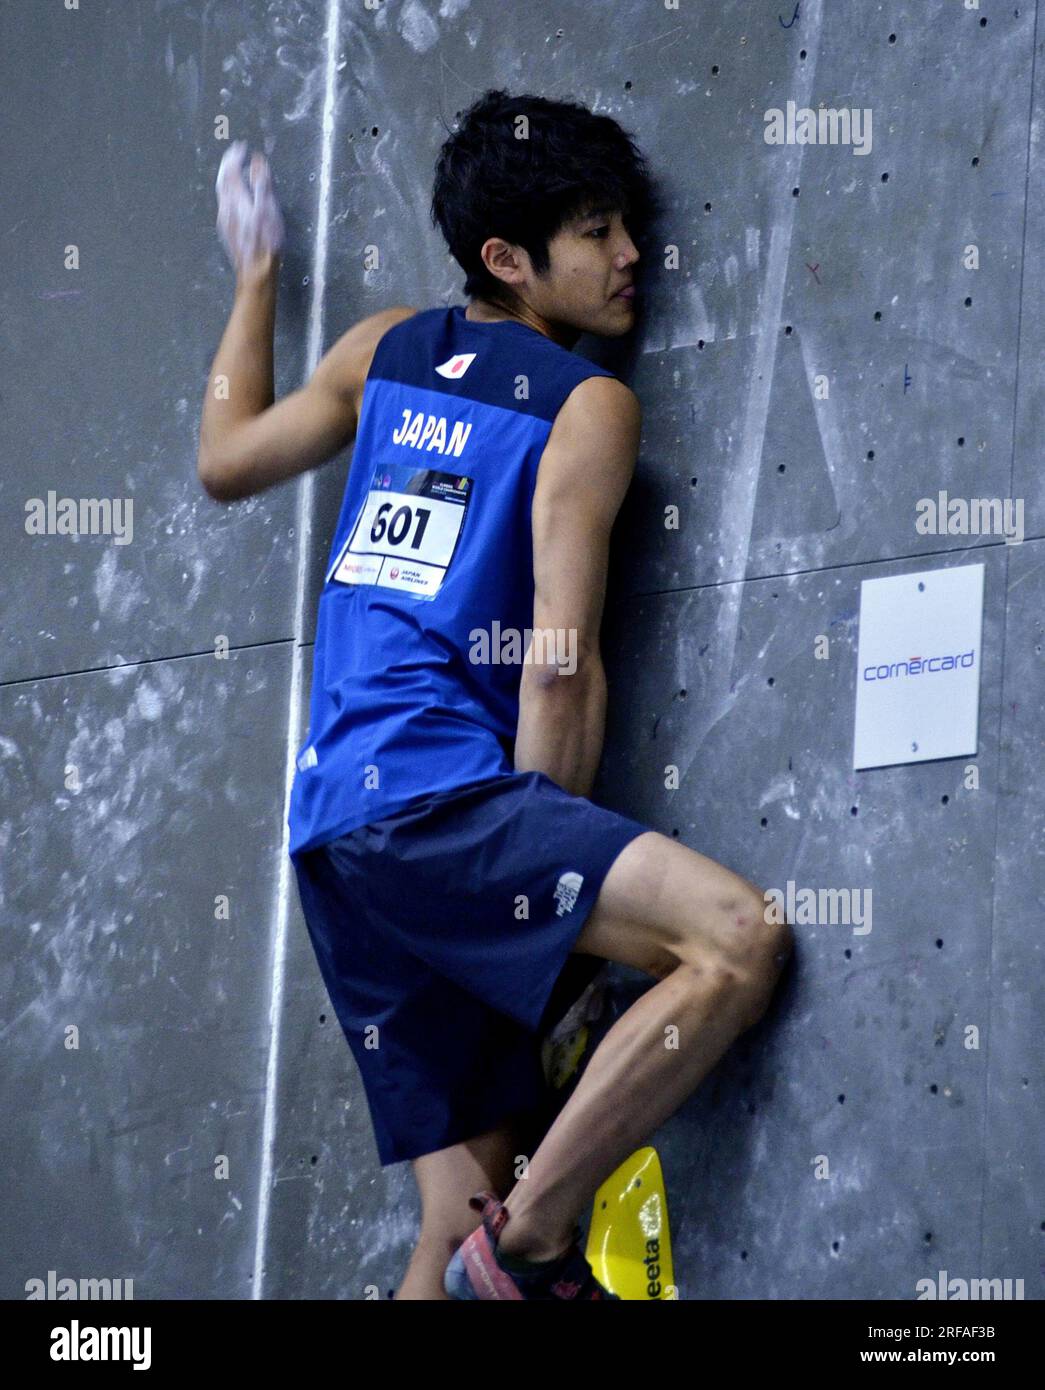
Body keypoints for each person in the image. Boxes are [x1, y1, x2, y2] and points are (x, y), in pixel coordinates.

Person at [198, 89, 793, 1302]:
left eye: (628, 224)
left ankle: (485, 1245)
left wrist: (256, 274)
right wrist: (549, 916)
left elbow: (224, 456)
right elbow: (558, 663)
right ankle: (527, 1247)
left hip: (336, 842)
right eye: (593, 232)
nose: (632, 257)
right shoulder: (587, 408)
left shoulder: (377, 352)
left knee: (448, 1213)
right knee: (734, 942)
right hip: (442, 806)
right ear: (508, 260)